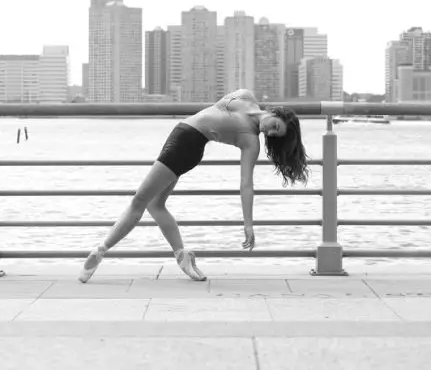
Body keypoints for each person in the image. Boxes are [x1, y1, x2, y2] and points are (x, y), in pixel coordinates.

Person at [79, 88, 310, 283]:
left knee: (139, 200)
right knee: (155, 205)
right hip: (179, 135)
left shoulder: (250, 140)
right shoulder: (246, 95)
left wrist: (248, 224)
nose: (269, 132)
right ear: (276, 113)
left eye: (274, 134)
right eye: (275, 126)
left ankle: (99, 251)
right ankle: (182, 256)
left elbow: (246, 183)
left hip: (188, 145)